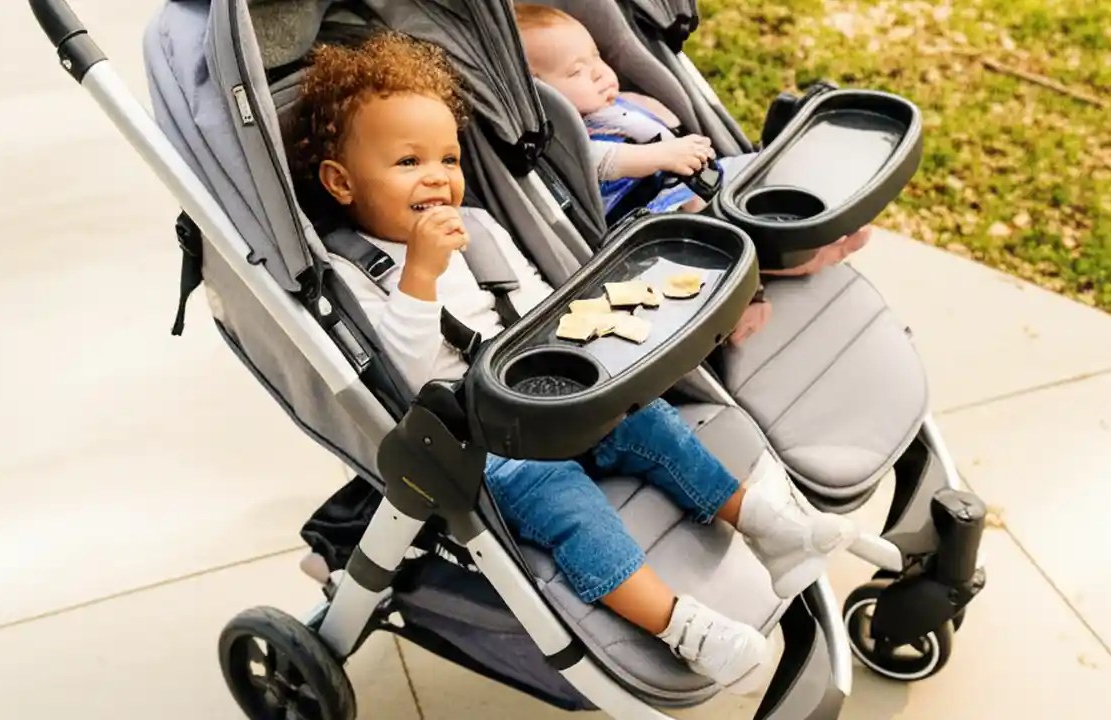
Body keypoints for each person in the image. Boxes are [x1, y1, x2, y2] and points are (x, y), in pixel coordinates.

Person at [287, 31, 857, 694]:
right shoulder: (353, 271)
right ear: (342, 182)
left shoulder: (481, 227)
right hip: (473, 436)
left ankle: (761, 522)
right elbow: (403, 374)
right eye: (409, 161)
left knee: (651, 424)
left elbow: (538, 300)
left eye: (448, 156)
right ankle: (680, 624)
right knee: (565, 503)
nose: (438, 175)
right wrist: (419, 274)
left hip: (545, 385)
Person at [514, 3, 872, 276]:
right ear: (539, 96)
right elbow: (603, 160)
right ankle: (787, 263)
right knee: (709, 230)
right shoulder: (563, 139)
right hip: (645, 214)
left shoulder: (620, 102)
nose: (598, 72)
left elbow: (665, 124)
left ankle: (785, 173)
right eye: (576, 71)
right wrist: (663, 155)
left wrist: (663, 124)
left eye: (596, 57)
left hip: (688, 178)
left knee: (747, 173)